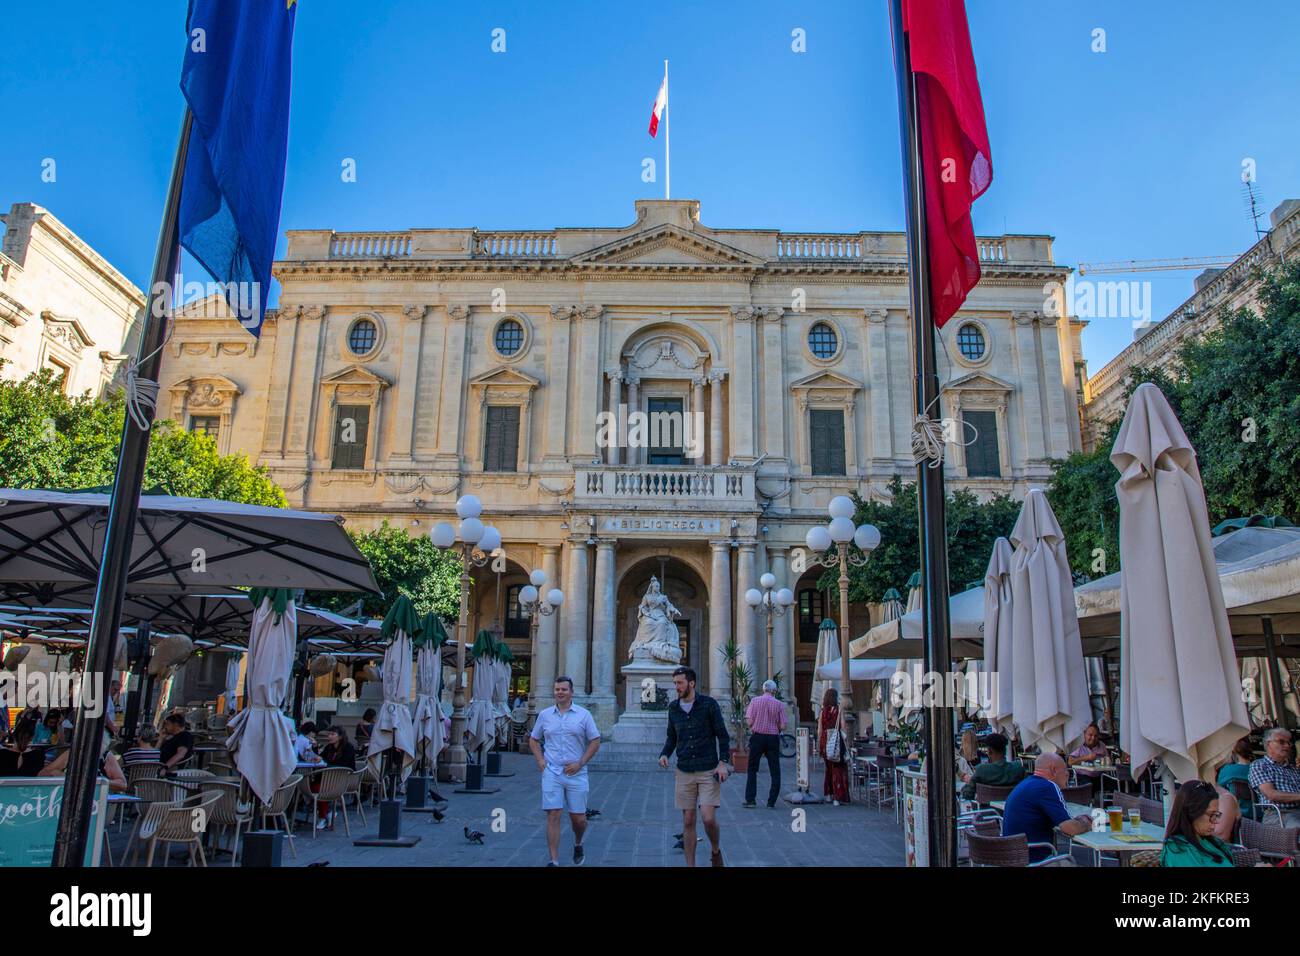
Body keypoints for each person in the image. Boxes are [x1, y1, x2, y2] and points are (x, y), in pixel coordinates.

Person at [659, 666, 730, 867]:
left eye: (679, 683)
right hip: (684, 770)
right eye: (674, 683)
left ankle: (715, 850)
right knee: (688, 821)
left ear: (691, 683)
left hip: (708, 770)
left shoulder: (708, 705)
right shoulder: (673, 708)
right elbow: (672, 737)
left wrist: (723, 763)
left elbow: (722, 735)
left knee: (708, 819)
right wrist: (664, 754)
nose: (676, 687)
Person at [529, 676, 601, 867]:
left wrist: (581, 763)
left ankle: (578, 842)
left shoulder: (583, 715)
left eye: (563, 689)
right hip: (552, 771)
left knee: (578, 819)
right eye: (557, 689)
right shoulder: (545, 715)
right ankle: (554, 860)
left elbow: (595, 740)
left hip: (576, 772)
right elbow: (533, 739)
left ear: (571, 692)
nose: (560, 692)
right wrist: (540, 760)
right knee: (553, 813)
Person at [1000, 753, 1092, 862]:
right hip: (1035, 860)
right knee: (1072, 862)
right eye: (1065, 770)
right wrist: (1087, 822)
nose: (1068, 774)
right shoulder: (1048, 786)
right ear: (1054, 770)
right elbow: (1070, 829)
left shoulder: (1026, 783)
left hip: (1013, 859)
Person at [1160, 780, 1234, 867]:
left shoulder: (1213, 842)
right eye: (1211, 815)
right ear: (1192, 813)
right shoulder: (1177, 849)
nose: (1216, 821)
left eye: (1216, 814)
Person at [743, 679, 787, 809]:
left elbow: (749, 722)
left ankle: (751, 800)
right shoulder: (779, 704)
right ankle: (771, 801)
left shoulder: (755, 701)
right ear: (774, 691)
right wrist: (776, 724)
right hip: (773, 738)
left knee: (752, 769)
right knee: (775, 770)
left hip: (757, 737)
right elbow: (783, 726)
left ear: (763, 689)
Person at [1248, 727, 1300, 826]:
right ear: (1269, 744)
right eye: (1281, 742)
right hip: (1278, 814)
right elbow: (1271, 794)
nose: (1287, 746)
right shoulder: (1260, 765)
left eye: (1288, 743)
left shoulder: (1293, 769)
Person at [960, 732, 1024, 801]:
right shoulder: (1018, 768)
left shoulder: (982, 770)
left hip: (987, 810)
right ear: (1005, 750)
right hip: (1011, 809)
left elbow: (967, 793)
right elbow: (1025, 789)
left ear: (989, 751)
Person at [818, 688, 850, 805]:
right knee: (838, 769)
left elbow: (820, 730)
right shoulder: (839, 710)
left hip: (825, 742)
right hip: (836, 742)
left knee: (828, 769)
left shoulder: (822, 711)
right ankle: (837, 797)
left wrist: (819, 744)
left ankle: (828, 795)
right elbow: (843, 726)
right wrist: (846, 741)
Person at [1216, 736, 1255, 820]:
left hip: (1235, 815)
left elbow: (1218, 792)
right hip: (1259, 814)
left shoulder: (1227, 770)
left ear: (1232, 752)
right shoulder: (1259, 768)